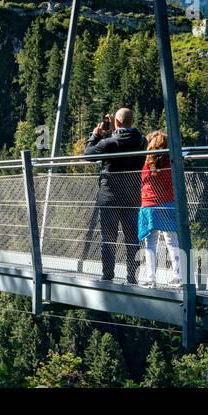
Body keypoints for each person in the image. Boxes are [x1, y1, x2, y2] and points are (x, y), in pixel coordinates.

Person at [83, 107, 146, 283]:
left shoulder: (109, 143)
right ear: (132, 121)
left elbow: (88, 154)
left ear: (116, 122)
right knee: (132, 238)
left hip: (109, 195)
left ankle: (107, 275)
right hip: (132, 195)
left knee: (108, 238)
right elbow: (127, 140)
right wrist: (116, 130)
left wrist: (96, 135)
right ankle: (132, 277)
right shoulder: (142, 141)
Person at [139, 130, 182, 288]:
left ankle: (151, 278)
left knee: (151, 242)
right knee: (172, 240)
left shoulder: (147, 164)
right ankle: (179, 276)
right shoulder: (171, 162)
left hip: (149, 204)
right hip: (167, 203)